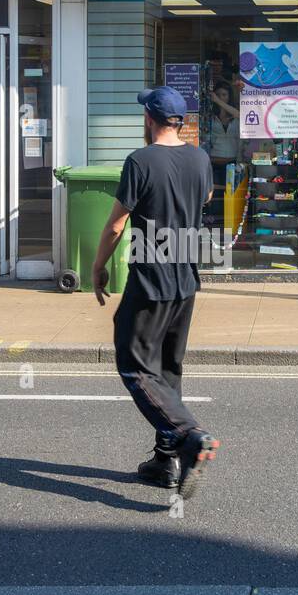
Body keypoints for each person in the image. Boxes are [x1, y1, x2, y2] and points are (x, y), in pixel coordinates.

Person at [92, 86, 219, 499]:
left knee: (134, 365)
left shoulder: (140, 161)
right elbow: (205, 197)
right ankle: (166, 461)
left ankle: (188, 436)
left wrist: (97, 267)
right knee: (166, 369)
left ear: (148, 118)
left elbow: (115, 225)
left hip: (151, 276)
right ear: (180, 121)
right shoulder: (199, 157)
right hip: (186, 278)